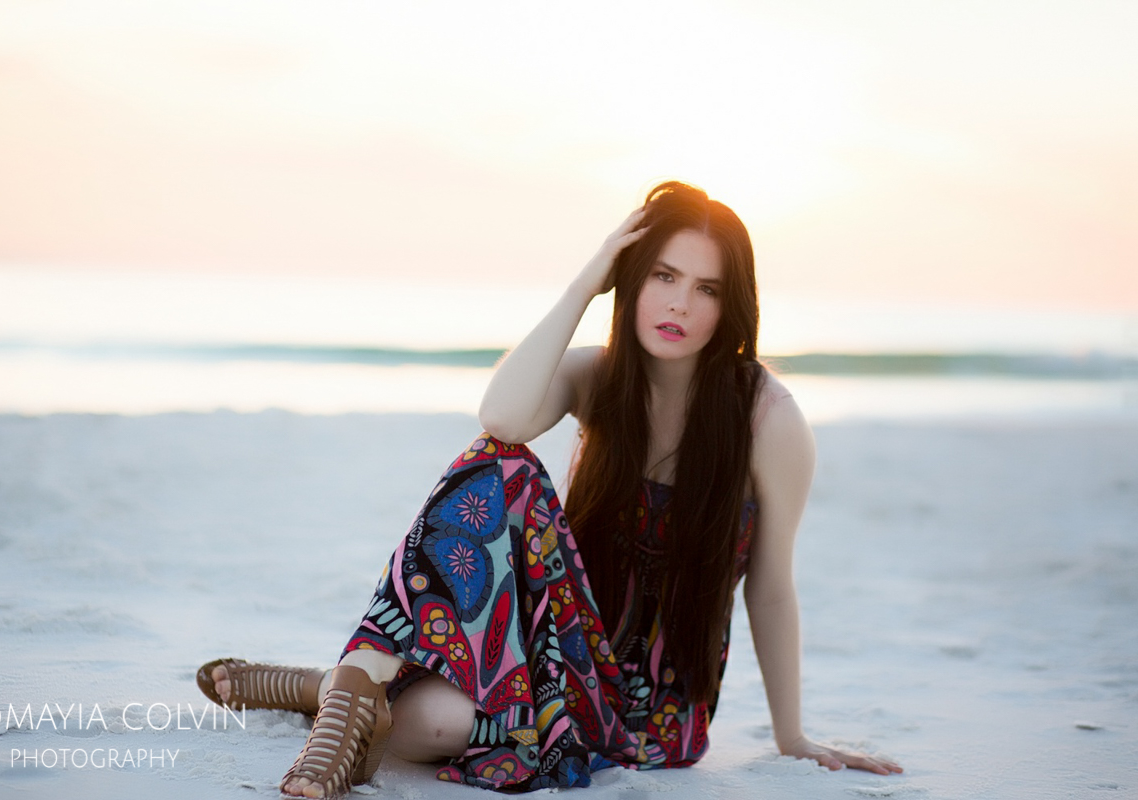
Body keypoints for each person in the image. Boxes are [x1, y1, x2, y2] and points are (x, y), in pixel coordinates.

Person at [196, 181, 903, 798]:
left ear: (731, 304)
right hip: (550, 651)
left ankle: (328, 686)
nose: (680, 304)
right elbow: (501, 418)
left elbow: (771, 587)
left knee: (425, 722)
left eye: (706, 288)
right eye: (663, 275)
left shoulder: (768, 419)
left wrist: (791, 735)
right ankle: (360, 678)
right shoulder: (601, 378)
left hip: (650, 716)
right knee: (498, 463)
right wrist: (584, 283)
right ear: (631, 279)